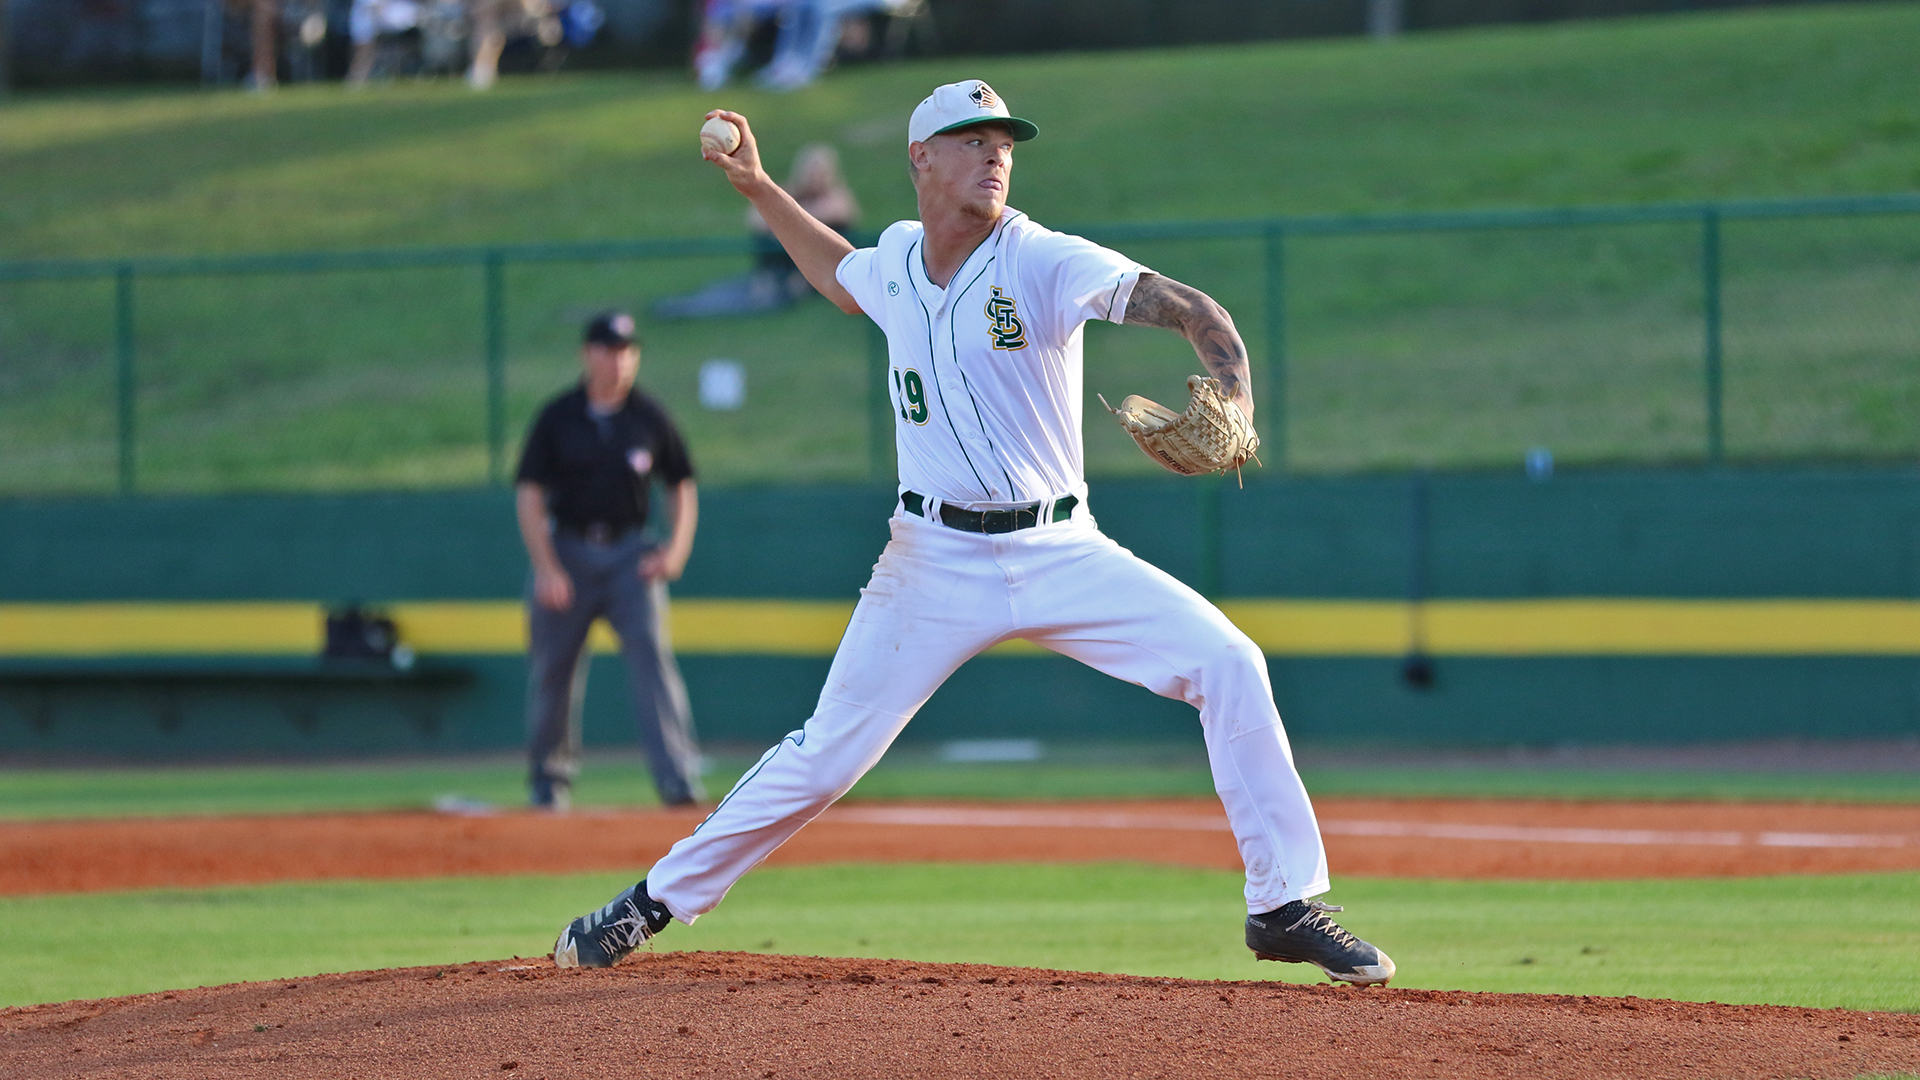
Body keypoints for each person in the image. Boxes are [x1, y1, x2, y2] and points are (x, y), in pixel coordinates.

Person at [553, 81, 1395, 986]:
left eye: (1005, 140)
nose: (996, 153)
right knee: (825, 756)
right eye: (971, 138)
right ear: (921, 159)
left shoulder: (1042, 259)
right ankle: (649, 905)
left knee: (1231, 664)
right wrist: (759, 188)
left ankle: (1282, 905)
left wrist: (1234, 393)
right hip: (931, 561)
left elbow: (1195, 310)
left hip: (1061, 550)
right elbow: (839, 274)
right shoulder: (897, 262)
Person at [515, 312, 705, 811]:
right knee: (555, 668)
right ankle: (549, 781)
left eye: (628, 350)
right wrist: (547, 566)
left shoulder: (648, 416)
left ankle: (678, 779)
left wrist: (676, 548)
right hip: (570, 553)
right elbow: (530, 494)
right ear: (588, 354)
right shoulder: (559, 416)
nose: (620, 360)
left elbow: (680, 483)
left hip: (630, 555)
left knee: (653, 664)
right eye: (609, 349)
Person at [652, 142, 860, 319]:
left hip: (803, 281)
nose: (814, 176)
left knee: (743, 302)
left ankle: (681, 311)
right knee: (727, 290)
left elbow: (827, 213)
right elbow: (755, 219)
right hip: (770, 273)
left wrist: (781, 210)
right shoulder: (793, 194)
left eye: (820, 170)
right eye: (810, 169)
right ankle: (675, 307)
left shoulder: (837, 200)